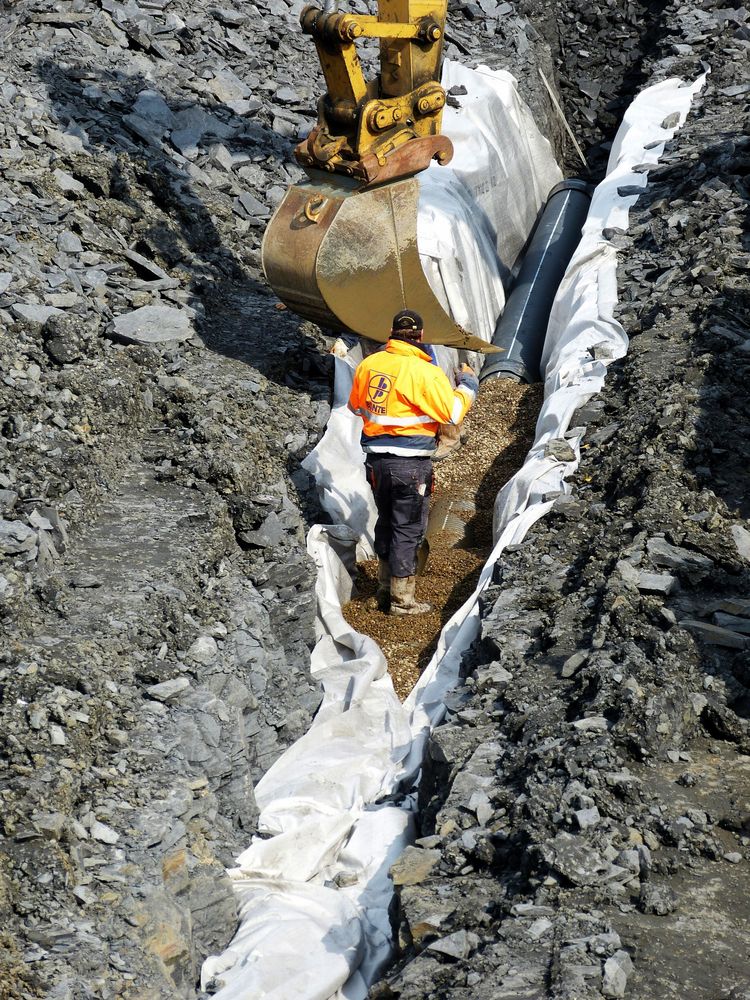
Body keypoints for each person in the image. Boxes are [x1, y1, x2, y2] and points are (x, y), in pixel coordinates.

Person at [348, 309, 479, 615]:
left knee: (386, 520)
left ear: (391, 333)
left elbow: (357, 406)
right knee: (408, 527)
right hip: (410, 465)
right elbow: (451, 413)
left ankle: (383, 588)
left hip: (376, 462)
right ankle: (401, 600)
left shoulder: (370, 364)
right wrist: (467, 386)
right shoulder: (424, 372)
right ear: (420, 337)